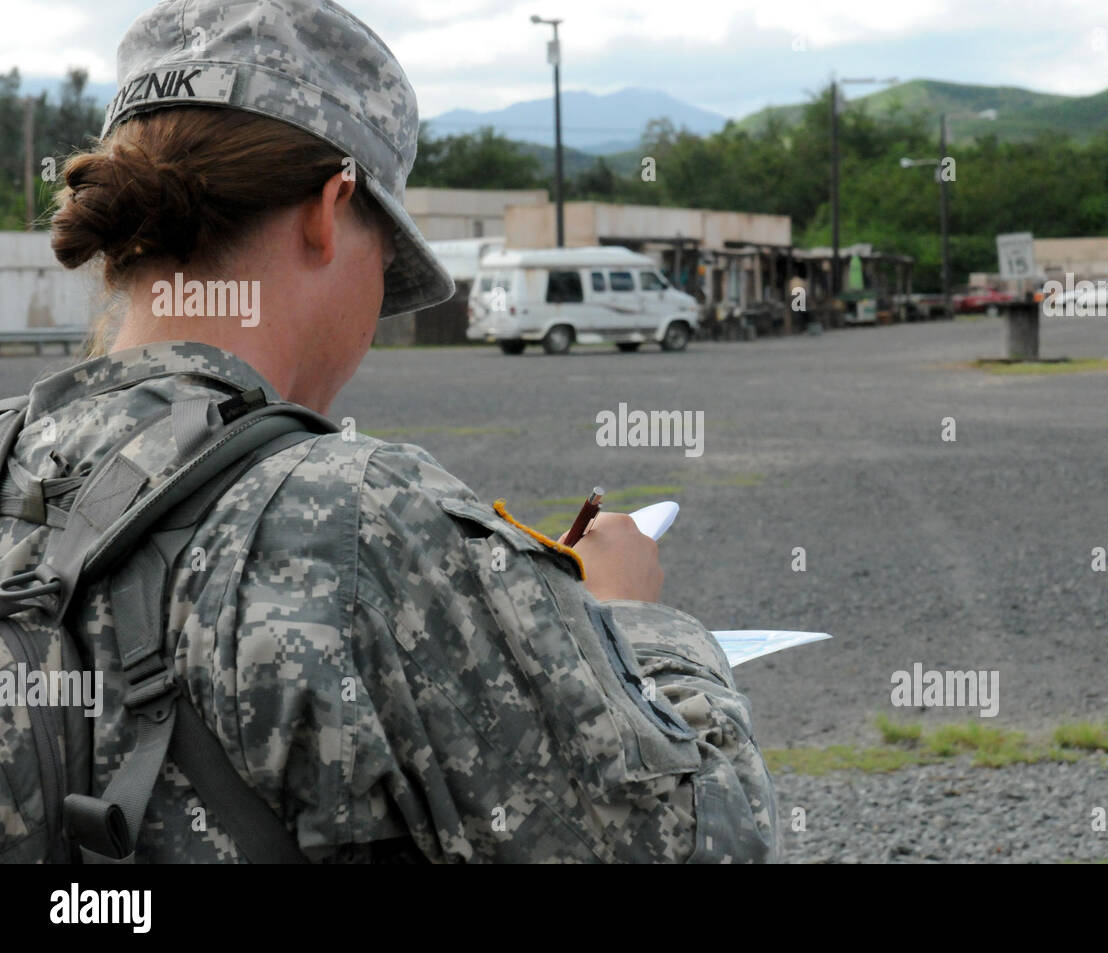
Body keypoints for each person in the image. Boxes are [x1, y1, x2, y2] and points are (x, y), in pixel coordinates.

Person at [0, 0, 778, 862]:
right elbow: (709, 841)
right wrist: (635, 626)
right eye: (386, 261)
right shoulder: (365, 522)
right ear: (330, 210)